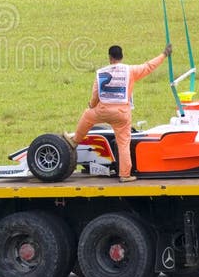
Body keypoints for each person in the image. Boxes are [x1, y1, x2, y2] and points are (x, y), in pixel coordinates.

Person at [73, 43, 172, 182]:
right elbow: (149, 66)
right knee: (123, 143)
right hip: (122, 113)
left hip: (102, 110)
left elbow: (95, 95)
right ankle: (125, 175)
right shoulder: (130, 70)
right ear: (122, 57)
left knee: (87, 116)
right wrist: (164, 55)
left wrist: (91, 105)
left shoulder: (101, 72)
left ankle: (74, 141)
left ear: (109, 58)